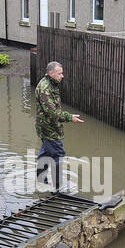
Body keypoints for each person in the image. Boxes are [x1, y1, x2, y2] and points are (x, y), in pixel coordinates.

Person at [34, 60, 83, 191]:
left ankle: (41, 182)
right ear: (51, 73)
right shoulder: (45, 88)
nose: (62, 76)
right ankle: (59, 186)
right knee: (58, 155)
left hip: (46, 126)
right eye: (59, 73)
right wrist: (70, 117)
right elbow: (52, 112)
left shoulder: (51, 83)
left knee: (45, 154)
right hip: (49, 128)